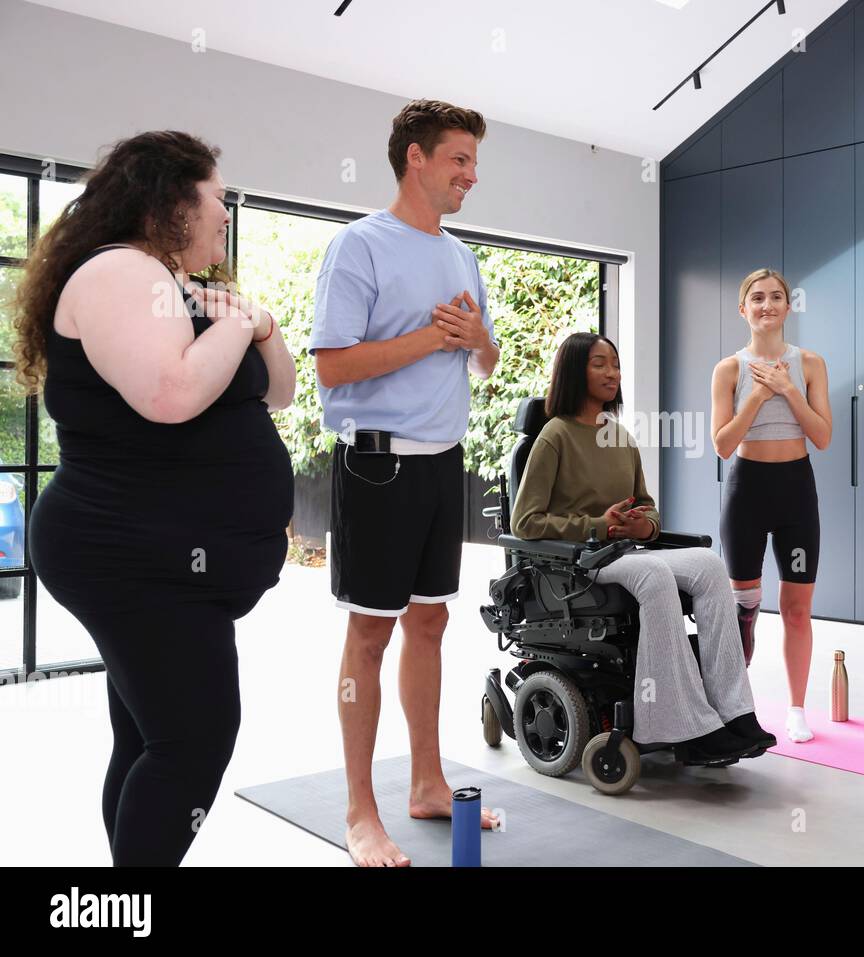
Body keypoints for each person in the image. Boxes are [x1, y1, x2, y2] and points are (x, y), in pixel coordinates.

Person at [21, 131, 296, 866]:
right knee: (192, 740)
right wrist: (241, 320)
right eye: (217, 199)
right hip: (130, 554)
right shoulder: (120, 272)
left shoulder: (181, 286)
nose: (227, 215)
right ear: (170, 200)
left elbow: (284, 390)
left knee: (152, 738)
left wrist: (257, 321)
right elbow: (170, 395)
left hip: (165, 560)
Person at [309, 99, 500, 867]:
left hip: (441, 462)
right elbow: (331, 365)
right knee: (370, 632)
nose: (471, 175)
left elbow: (482, 362)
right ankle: (360, 809)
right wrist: (430, 335)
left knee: (430, 623)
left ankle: (427, 781)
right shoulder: (359, 246)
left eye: (474, 162)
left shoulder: (463, 257)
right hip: (377, 464)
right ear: (415, 158)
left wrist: (477, 338)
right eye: (459, 159)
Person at [511, 332, 776, 762]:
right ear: (574, 371)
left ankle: (734, 712)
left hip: (625, 554)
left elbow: (648, 508)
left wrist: (642, 524)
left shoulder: (620, 437)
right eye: (600, 363)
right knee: (653, 575)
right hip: (579, 564)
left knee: (708, 565)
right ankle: (681, 727)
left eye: (615, 364)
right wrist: (601, 526)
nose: (612, 372)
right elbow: (526, 522)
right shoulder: (553, 436)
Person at [710, 268, 831, 743]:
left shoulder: (811, 364)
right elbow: (722, 444)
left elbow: (821, 436)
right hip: (747, 490)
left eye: (776, 297)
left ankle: (797, 709)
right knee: (745, 607)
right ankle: (737, 709)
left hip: (796, 488)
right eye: (756, 298)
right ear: (744, 309)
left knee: (798, 607)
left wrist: (788, 390)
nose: (767, 305)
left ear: (788, 306)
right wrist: (759, 394)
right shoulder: (729, 369)